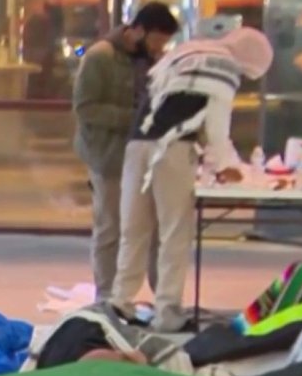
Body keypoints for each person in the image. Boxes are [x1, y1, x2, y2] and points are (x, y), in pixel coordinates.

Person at [111, 27, 274, 332]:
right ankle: (167, 313)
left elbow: (162, 101)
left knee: (134, 229)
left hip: (137, 145)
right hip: (172, 151)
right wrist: (227, 166)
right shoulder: (223, 68)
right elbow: (215, 129)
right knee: (174, 235)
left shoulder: (187, 52)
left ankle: (120, 304)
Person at [73, 2, 179, 301]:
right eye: (157, 40)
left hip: (150, 154)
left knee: (157, 229)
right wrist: (133, 118)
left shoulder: (155, 59)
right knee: (111, 227)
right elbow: (86, 108)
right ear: (139, 30)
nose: (160, 47)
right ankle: (107, 296)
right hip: (110, 156)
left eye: (165, 43)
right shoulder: (100, 57)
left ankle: (164, 298)